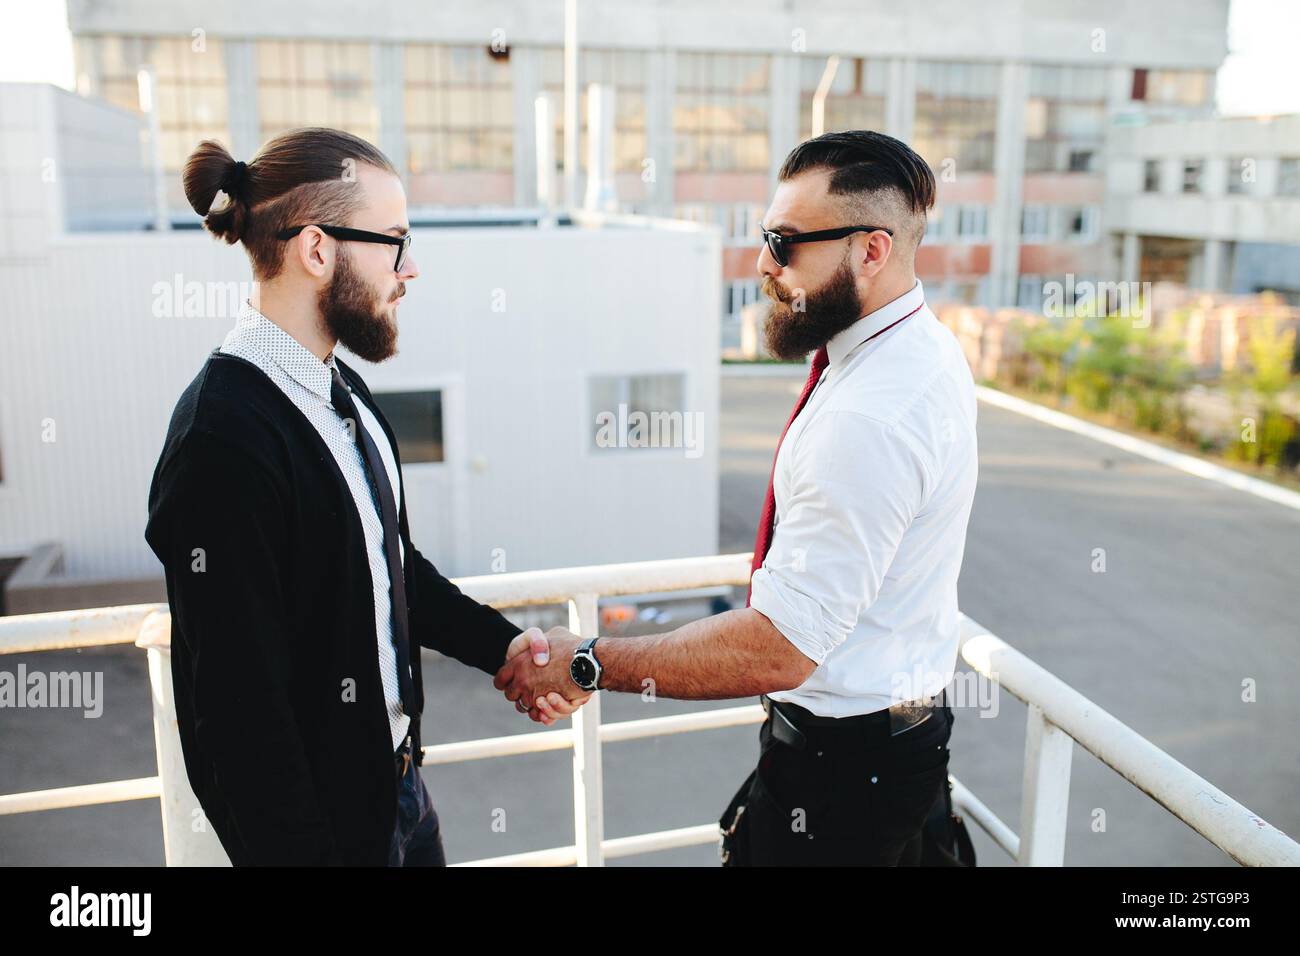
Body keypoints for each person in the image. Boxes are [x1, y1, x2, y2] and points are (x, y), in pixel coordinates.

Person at [495, 130, 979, 866]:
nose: (762, 264)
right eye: (764, 236)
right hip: (899, 749)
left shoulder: (869, 415)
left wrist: (588, 661)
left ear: (872, 251)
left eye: (785, 243)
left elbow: (778, 647)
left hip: (847, 776)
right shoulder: (919, 346)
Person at [145, 127, 587, 867]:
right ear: (316, 250)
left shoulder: (339, 393)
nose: (411, 269)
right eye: (395, 242)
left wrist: (505, 646)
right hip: (324, 832)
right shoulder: (220, 441)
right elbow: (238, 717)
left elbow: (389, 566)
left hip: (403, 793)